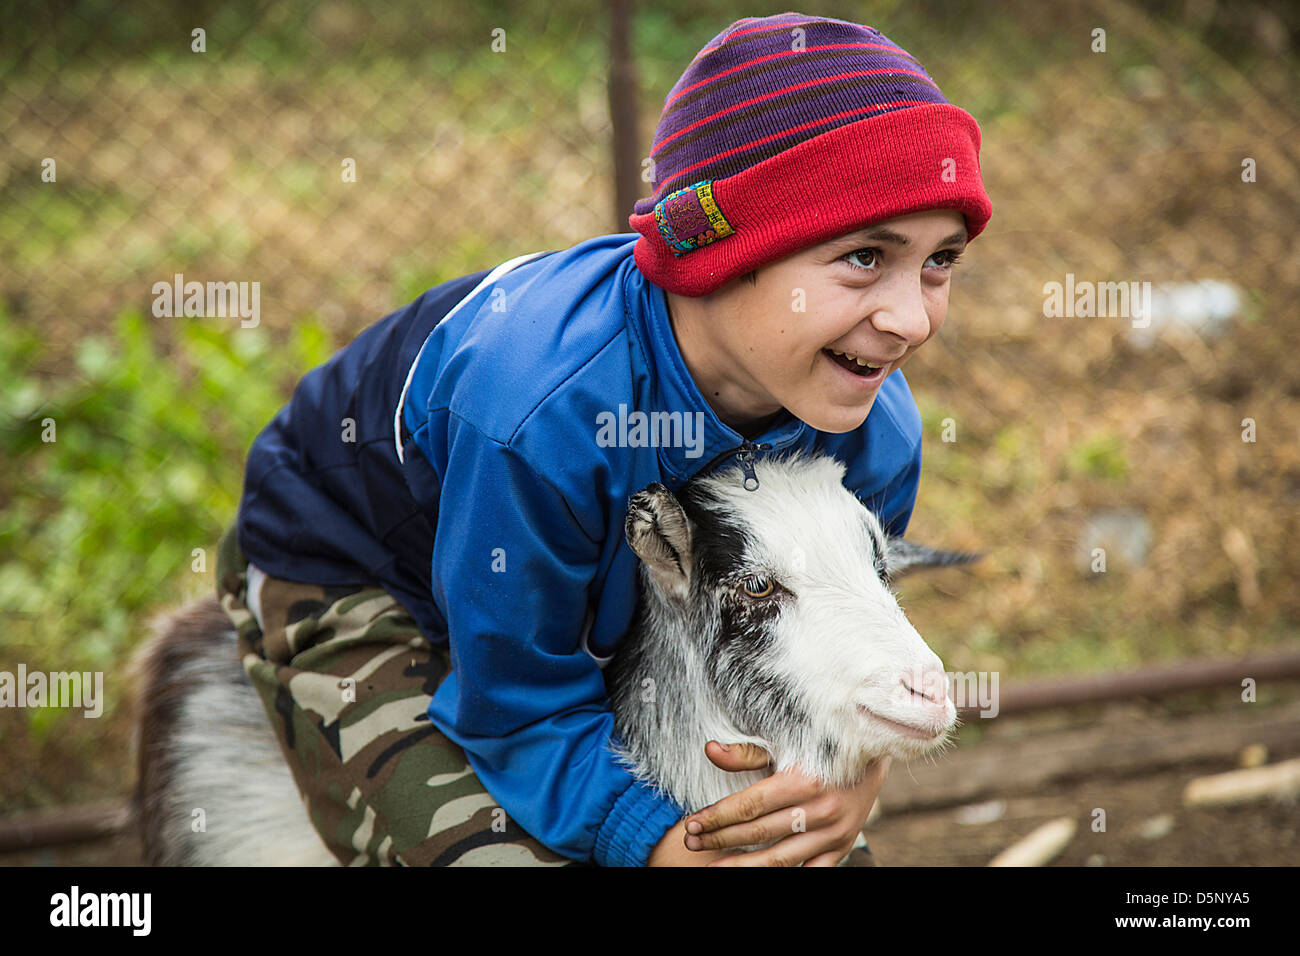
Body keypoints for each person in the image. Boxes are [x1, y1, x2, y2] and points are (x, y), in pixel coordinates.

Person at [215, 11, 992, 867]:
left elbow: (842, 643)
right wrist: (650, 841)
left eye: (940, 261)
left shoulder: (872, 427)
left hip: (581, 595)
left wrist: (850, 784)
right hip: (352, 567)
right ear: (720, 252)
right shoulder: (540, 412)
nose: (913, 319)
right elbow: (518, 705)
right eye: (863, 258)